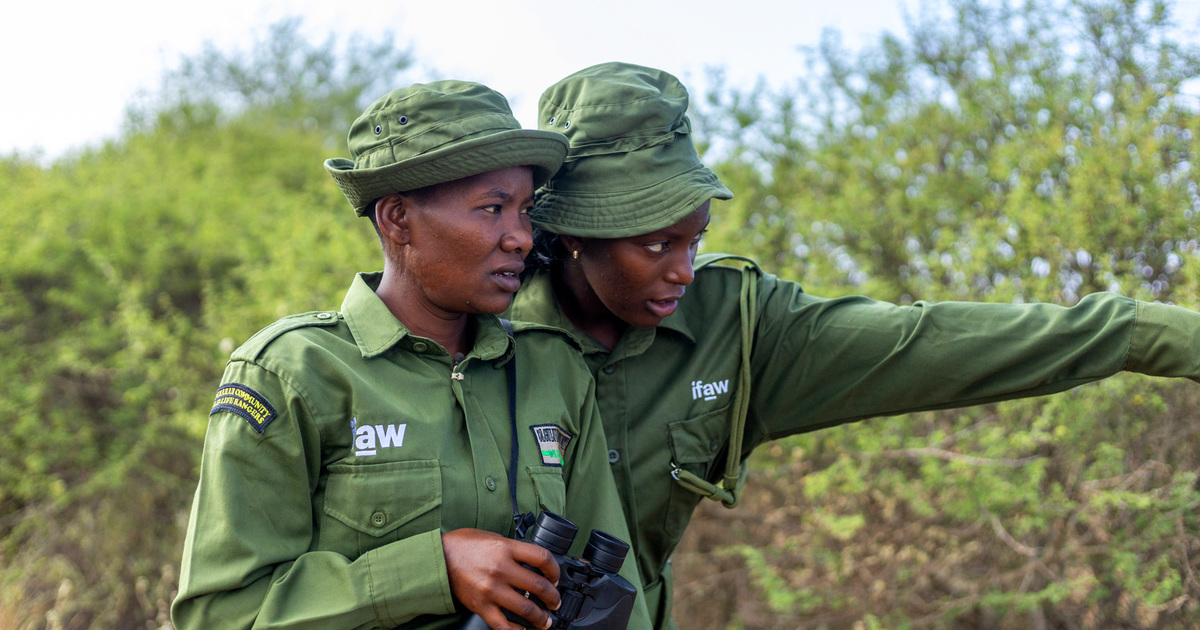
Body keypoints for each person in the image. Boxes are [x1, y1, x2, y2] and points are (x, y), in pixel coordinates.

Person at [504, 62, 1200, 630]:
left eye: (696, 240)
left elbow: (933, 343)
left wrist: (1155, 336)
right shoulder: (482, 336)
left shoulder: (740, 332)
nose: (683, 270)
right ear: (573, 234)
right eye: (655, 244)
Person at [172, 80, 652, 630]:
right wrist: (434, 568)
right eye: (492, 208)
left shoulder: (553, 370)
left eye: (524, 211)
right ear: (398, 219)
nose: (520, 237)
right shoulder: (294, 373)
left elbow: (617, 597)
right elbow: (222, 614)